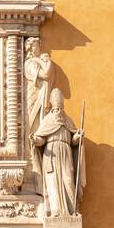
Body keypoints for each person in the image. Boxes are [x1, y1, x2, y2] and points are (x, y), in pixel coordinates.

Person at [32, 88, 84, 219]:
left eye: (60, 109)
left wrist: (77, 137)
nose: (58, 112)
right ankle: (55, 211)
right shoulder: (48, 121)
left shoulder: (68, 121)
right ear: (52, 109)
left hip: (66, 154)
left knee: (68, 181)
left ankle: (71, 211)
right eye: (56, 109)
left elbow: (73, 141)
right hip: (51, 154)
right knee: (53, 182)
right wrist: (34, 139)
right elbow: (41, 139)